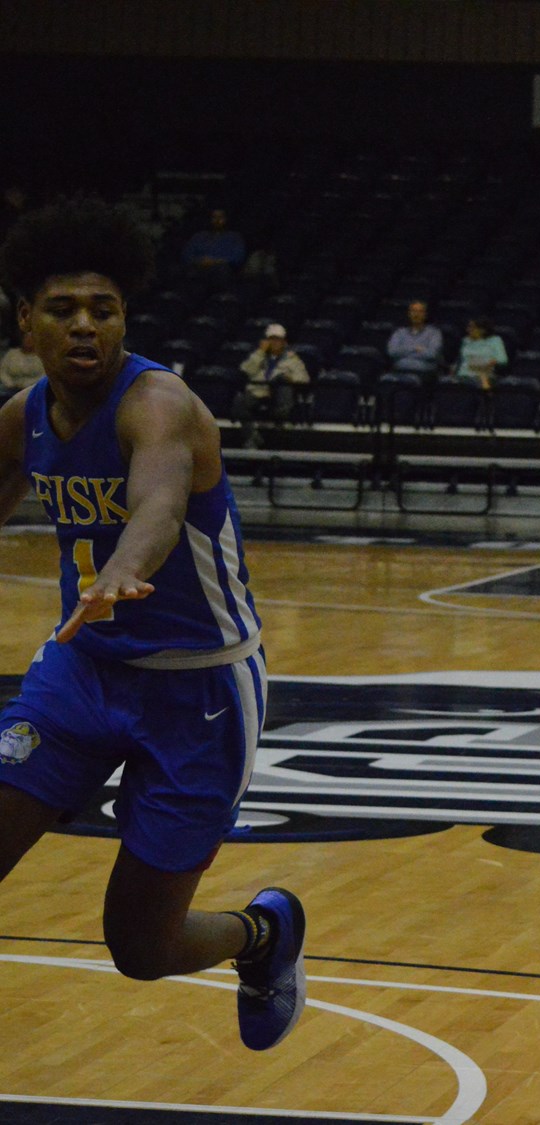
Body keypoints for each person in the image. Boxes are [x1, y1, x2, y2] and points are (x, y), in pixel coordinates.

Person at [0, 198, 305, 1052]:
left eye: (105, 308)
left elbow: (160, 501)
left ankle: (265, 934)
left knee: (141, 947)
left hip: (199, 690)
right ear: (26, 319)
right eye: (63, 309)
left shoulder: (160, 402)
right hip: (83, 668)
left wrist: (128, 566)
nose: (87, 325)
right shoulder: (23, 417)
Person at [234, 323, 309, 447]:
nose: (274, 343)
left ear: (284, 342)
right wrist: (260, 352)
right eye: (271, 339)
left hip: (279, 395)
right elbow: (247, 370)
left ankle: (278, 431)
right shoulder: (259, 356)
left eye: (277, 340)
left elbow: (303, 379)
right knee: (239, 402)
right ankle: (253, 437)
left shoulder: (292, 359)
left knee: (282, 382)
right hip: (258, 392)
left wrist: (290, 378)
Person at [181, 208, 246, 284]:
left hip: (221, 269)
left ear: (226, 219)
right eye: (214, 217)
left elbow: (238, 257)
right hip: (198, 268)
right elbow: (186, 255)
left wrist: (216, 261)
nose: (217, 220)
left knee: (222, 270)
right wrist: (199, 261)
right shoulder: (198, 236)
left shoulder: (234, 237)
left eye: (221, 217)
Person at [386, 300, 443, 377]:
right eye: (413, 311)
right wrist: (416, 348)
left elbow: (432, 354)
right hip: (399, 372)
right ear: (409, 314)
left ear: (425, 315)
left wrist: (404, 352)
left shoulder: (434, 333)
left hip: (424, 374)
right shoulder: (399, 333)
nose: (416, 314)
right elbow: (392, 352)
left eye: (420, 312)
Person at [453, 318, 507, 389]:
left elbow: (502, 359)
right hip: (463, 375)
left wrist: (486, 364)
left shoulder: (495, 340)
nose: (468, 330)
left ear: (482, 330)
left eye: (471, 327)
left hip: (483, 374)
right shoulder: (465, 340)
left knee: (482, 382)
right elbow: (460, 359)